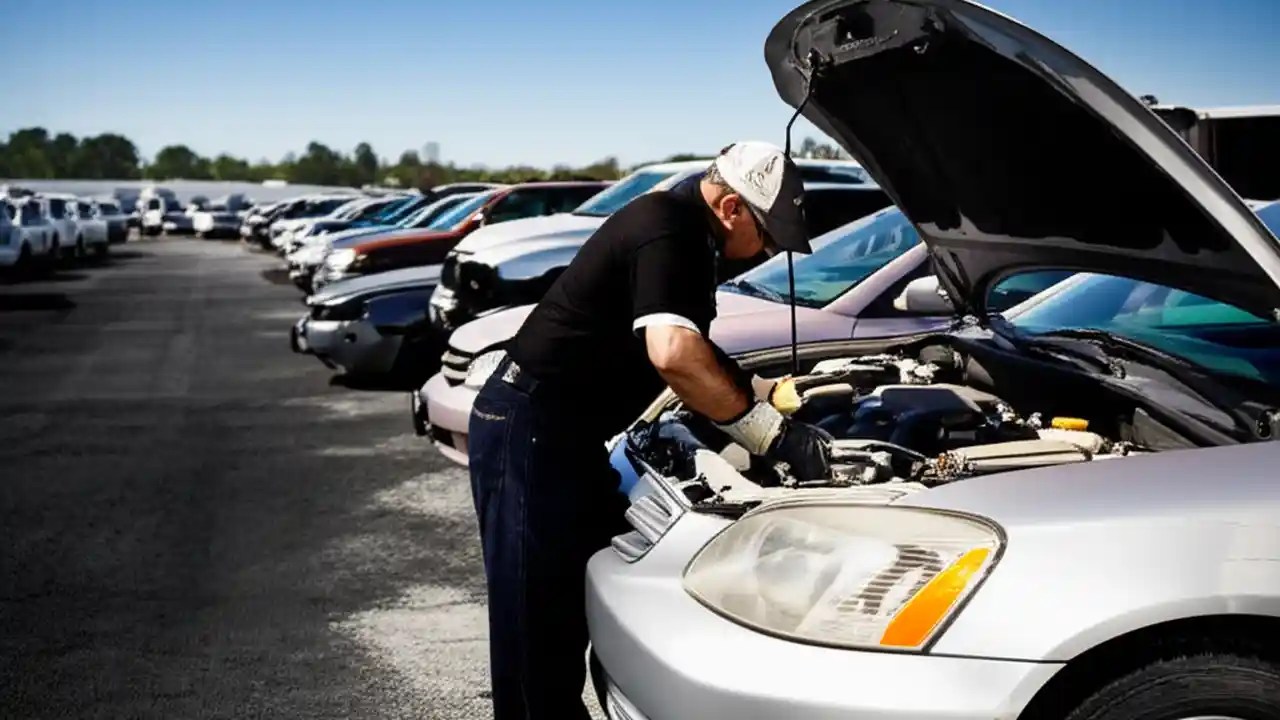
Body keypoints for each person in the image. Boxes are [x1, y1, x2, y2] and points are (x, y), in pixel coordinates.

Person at [466, 141, 833, 719]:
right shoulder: (669, 227)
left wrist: (766, 392)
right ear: (733, 206)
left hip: (563, 433)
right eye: (766, 234)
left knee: (575, 606)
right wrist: (771, 435)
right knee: (534, 630)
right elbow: (674, 353)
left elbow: (692, 347)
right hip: (530, 428)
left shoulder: (681, 227)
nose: (765, 250)